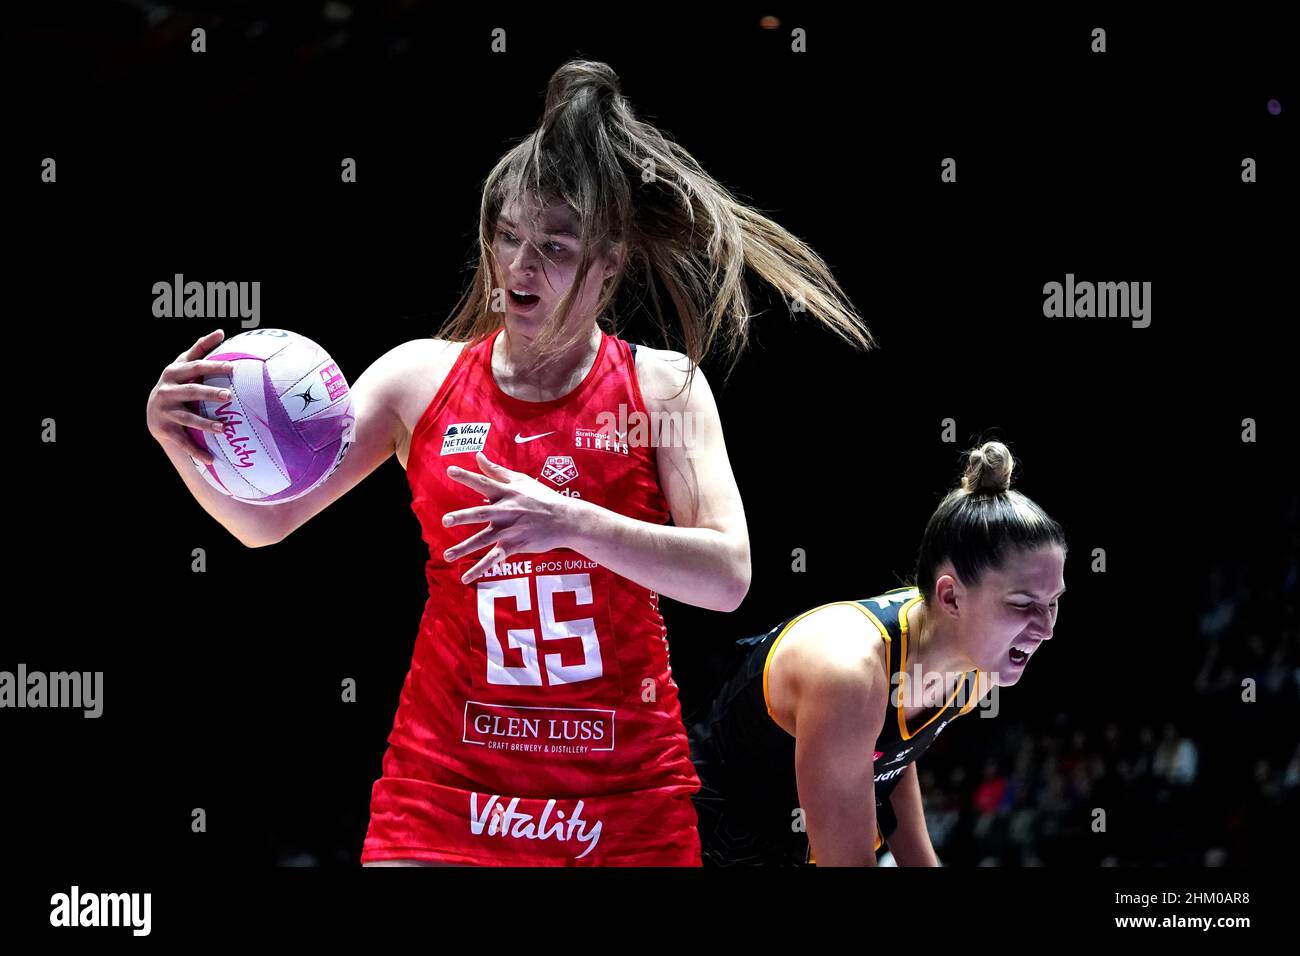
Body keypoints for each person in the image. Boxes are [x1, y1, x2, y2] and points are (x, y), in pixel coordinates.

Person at [145, 59, 872, 865]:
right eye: (508, 238)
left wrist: (569, 522)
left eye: (554, 247)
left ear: (608, 267)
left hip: (624, 797)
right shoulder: (416, 379)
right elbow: (267, 522)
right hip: (445, 786)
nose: (521, 266)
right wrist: (178, 440)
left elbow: (727, 575)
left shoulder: (664, 390)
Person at [689, 440, 1067, 865]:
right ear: (952, 598)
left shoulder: (974, 665)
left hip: (788, 837)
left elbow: (890, 755)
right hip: (700, 832)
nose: (1047, 628)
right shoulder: (849, 672)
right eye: (1022, 604)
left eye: (1053, 602)